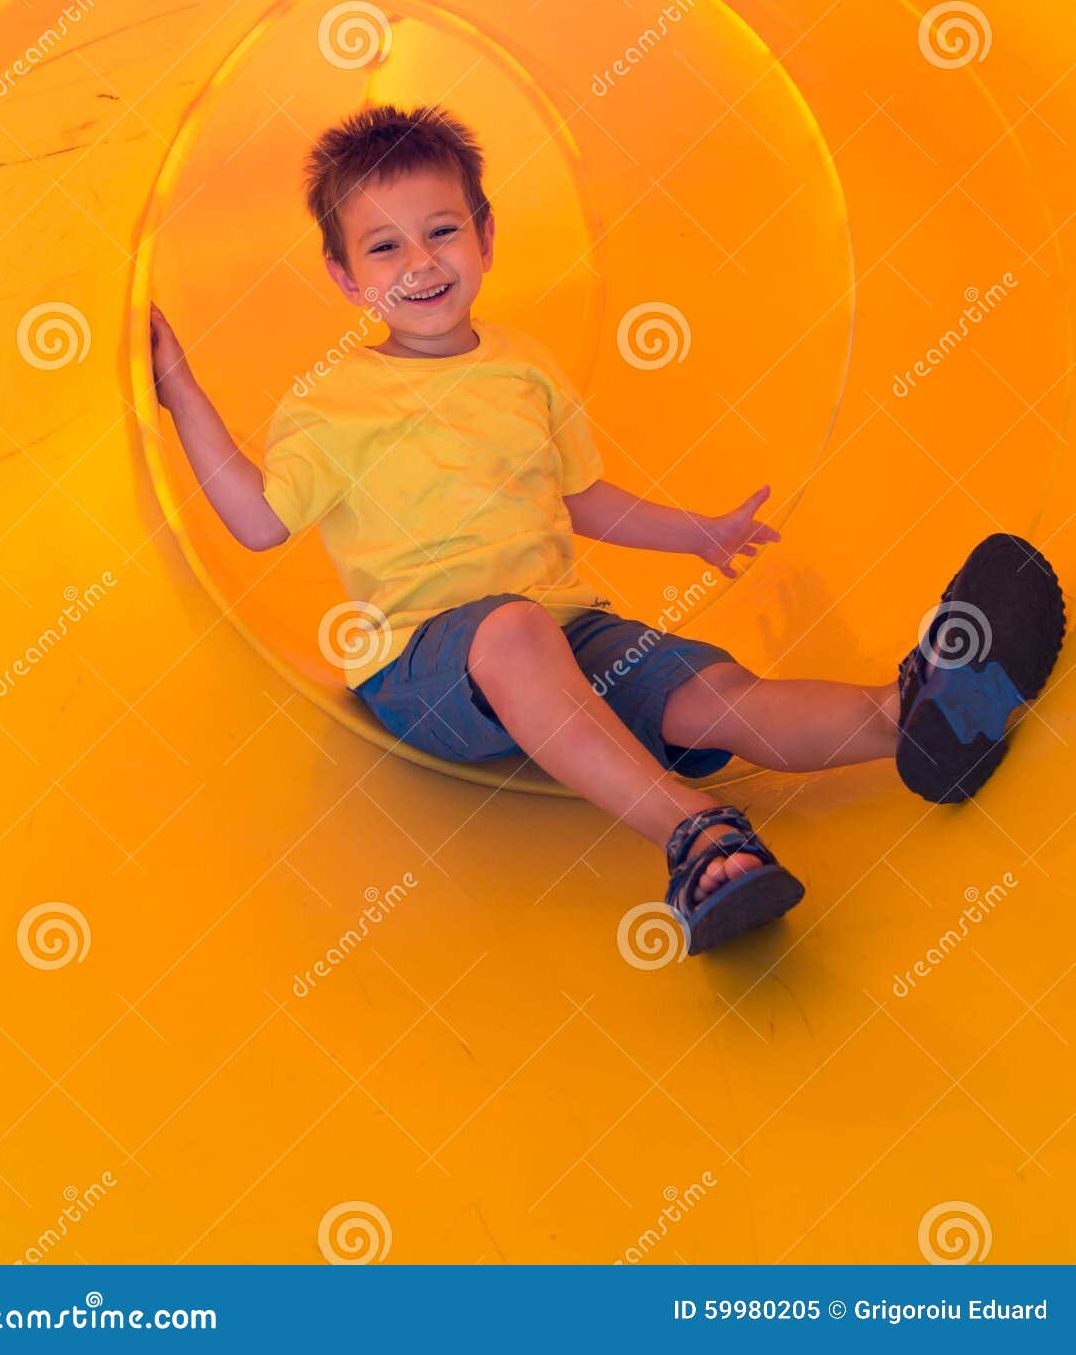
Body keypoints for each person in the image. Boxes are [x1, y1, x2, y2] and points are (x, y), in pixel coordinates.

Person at [149, 102, 1066, 955]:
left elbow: (578, 498)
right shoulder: (334, 404)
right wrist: (181, 391)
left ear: (485, 236)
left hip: (571, 631)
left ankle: (924, 717)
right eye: (384, 248)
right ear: (346, 278)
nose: (420, 263)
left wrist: (694, 533)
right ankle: (691, 833)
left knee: (716, 696)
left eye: (441, 231)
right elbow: (262, 522)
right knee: (509, 631)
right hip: (424, 661)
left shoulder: (525, 369)